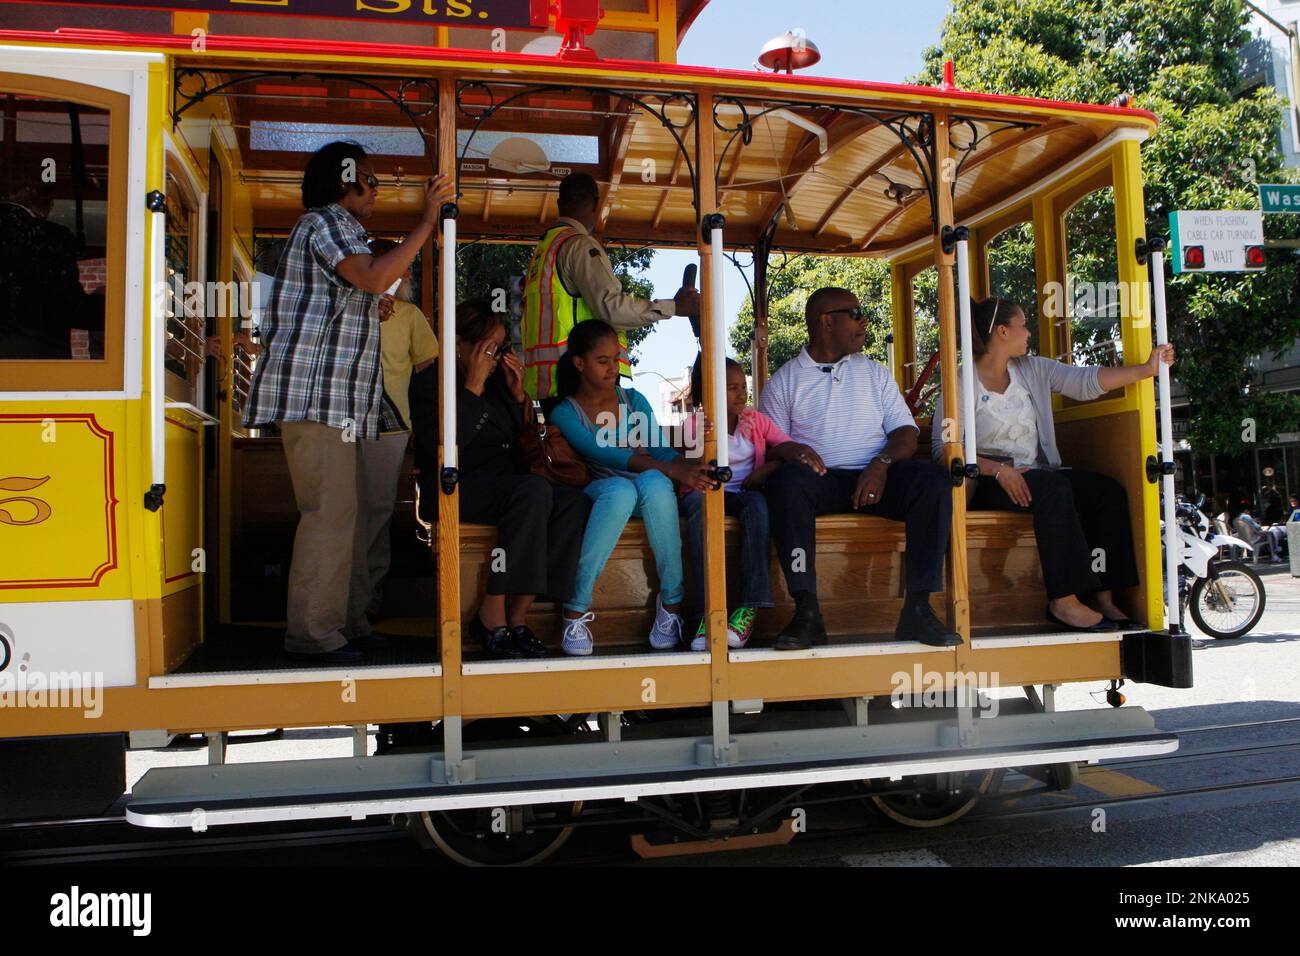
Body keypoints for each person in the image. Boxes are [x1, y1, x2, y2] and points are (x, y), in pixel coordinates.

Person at [243, 140, 450, 663]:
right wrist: (426, 222)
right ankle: (314, 634)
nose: (377, 190)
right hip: (317, 400)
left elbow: (362, 291)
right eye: (372, 180)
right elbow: (376, 276)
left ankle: (349, 623)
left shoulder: (330, 230)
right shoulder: (328, 222)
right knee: (331, 515)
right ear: (344, 182)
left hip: (335, 403)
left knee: (348, 517)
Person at [930, 297, 1174, 631]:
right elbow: (942, 448)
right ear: (1002, 331)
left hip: (1036, 473)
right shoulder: (959, 384)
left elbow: (1085, 382)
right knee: (1053, 489)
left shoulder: (1033, 370)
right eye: (1023, 324)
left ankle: (1102, 595)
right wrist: (999, 471)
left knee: (1106, 492)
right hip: (987, 479)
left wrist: (1146, 370)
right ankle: (1064, 602)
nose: (1028, 332)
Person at [758, 287, 961, 650]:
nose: (862, 320)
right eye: (854, 312)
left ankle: (918, 608)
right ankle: (807, 611)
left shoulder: (874, 373)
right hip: (821, 482)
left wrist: (881, 464)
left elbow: (905, 434)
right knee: (787, 483)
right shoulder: (784, 381)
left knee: (932, 479)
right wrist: (793, 451)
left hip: (876, 477)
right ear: (826, 321)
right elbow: (773, 447)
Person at [410, 299, 591, 659]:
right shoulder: (431, 383)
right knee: (532, 492)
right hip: (454, 486)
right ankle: (491, 612)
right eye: (490, 348)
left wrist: (519, 395)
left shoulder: (497, 383)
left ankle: (519, 614)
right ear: (460, 345)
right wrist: (473, 386)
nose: (497, 356)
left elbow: (526, 442)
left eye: (501, 347)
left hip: (506, 486)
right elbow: (445, 447)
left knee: (573, 502)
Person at [550, 319, 716, 655]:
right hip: (599, 493)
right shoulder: (566, 412)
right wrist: (669, 467)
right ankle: (575, 608)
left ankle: (671, 604)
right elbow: (606, 455)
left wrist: (690, 463)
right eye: (603, 361)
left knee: (654, 481)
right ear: (579, 363)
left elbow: (661, 451)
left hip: (648, 495)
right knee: (621, 489)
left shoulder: (633, 400)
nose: (613, 368)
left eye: (616, 359)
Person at [521, 172, 699, 398]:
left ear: (559, 204)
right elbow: (611, 309)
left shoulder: (544, 249)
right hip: (581, 385)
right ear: (596, 204)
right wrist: (674, 307)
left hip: (545, 384)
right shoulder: (578, 245)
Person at [680, 357, 817, 650]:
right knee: (698, 514)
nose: (742, 394)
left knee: (758, 507)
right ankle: (706, 612)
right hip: (704, 491)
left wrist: (769, 467)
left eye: (744, 386)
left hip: (743, 492)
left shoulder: (755, 420)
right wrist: (702, 437)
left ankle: (748, 607)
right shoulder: (694, 423)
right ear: (710, 393)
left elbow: (783, 446)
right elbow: (690, 463)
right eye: (732, 388)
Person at [358, 238, 439, 623]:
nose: (406, 274)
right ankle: (341, 601)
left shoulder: (410, 316)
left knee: (375, 513)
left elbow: (429, 374)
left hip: (391, 427)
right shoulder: (347, 309)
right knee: (341, 512)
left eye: (406, 268)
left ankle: (367, 601)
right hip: (341, 418)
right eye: (400, 267)